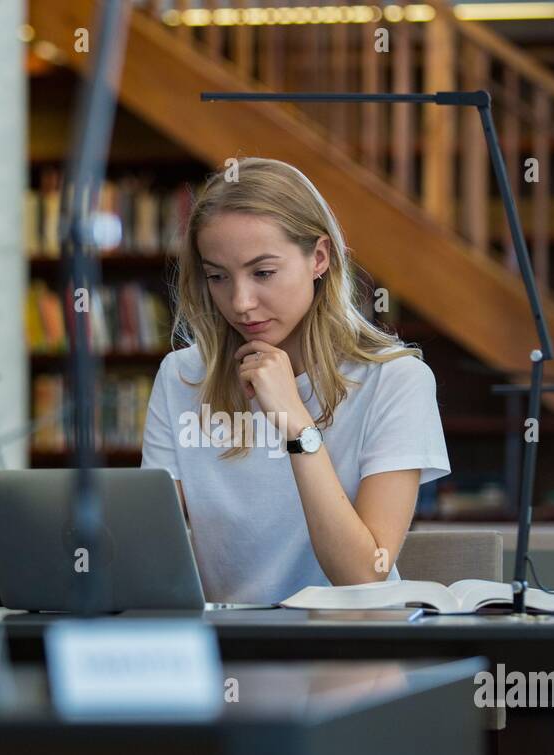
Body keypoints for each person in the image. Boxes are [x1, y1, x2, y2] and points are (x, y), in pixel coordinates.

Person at [142, 157, 451, 605]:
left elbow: (363, 576)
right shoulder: (182, 377)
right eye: (217, 277)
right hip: (225, 650)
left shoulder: (397, 380)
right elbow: (152, 549)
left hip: (349, 651)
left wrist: (297, 427)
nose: (241, 302)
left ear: (319, 258)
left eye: (263, 272)